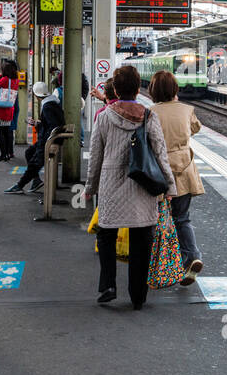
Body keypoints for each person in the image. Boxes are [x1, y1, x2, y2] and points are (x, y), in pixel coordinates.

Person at [85, 64, 176, 310]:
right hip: (143, 185)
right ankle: (138, 295)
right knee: (141, 239)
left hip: (111, 184)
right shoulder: (148, 116)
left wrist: (89, 187)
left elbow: (96, 156)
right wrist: (170, 186)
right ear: (138, 89)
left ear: (115, 88)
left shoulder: (104, 117)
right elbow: (160, 153)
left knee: (106, 235)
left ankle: (108, 286)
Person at [149, 70, 205, 283]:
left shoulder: (151, 112)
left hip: (159, 172)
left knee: (157, 220)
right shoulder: (187, 110)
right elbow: (196, 129)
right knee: (182, 218)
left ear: (153, 90)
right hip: (184, 170)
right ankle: (192, 256)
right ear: (175, 90)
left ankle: (163, 264)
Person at [6, 81, 63, 194]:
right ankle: (36, 180)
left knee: (34, 163)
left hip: (49, 142)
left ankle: (19, 185)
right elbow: (51, 124)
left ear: (36, 95)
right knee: (29, 152)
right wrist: (38, 124)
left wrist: (43, 142)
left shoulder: (47, 106)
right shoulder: (52, 102)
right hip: (50, 140)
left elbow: (53, 126)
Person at [0, 60, 19, 162]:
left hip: (1, 110)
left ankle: (3, 154)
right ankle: (7, 153)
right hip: (10, 110)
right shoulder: (16, 80)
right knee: (7, 132)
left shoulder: (5, 79)